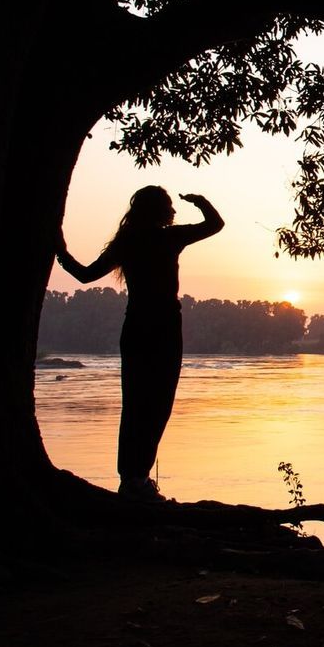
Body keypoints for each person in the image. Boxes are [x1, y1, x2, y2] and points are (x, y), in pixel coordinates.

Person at [55, 186, 223, 501]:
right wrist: (200, 201)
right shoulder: (168, 238)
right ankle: (137, 480)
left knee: (135, 404)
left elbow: (84, 275)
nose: (174, 212)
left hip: (136, 329)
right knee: (157, 406)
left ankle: (132, 479)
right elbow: (215, 225)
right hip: (165, 329)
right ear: (159, 211)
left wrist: (61, 251)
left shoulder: (129, 242)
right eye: (170, 207)